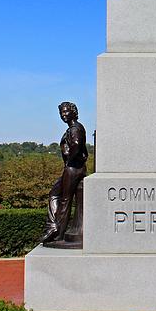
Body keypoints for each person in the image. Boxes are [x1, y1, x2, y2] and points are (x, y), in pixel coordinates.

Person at [40, 102, 89, 244]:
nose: (63, 115)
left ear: (74, 112)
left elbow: (76, 145)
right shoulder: (74, 128)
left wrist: (69, 159)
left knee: (62, 198)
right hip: (75, 167)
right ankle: (56, 229)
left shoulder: (75, 129)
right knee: (58, 195)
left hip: (73, 168)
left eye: (66, 112)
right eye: (61, 112)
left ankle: (56, 230)